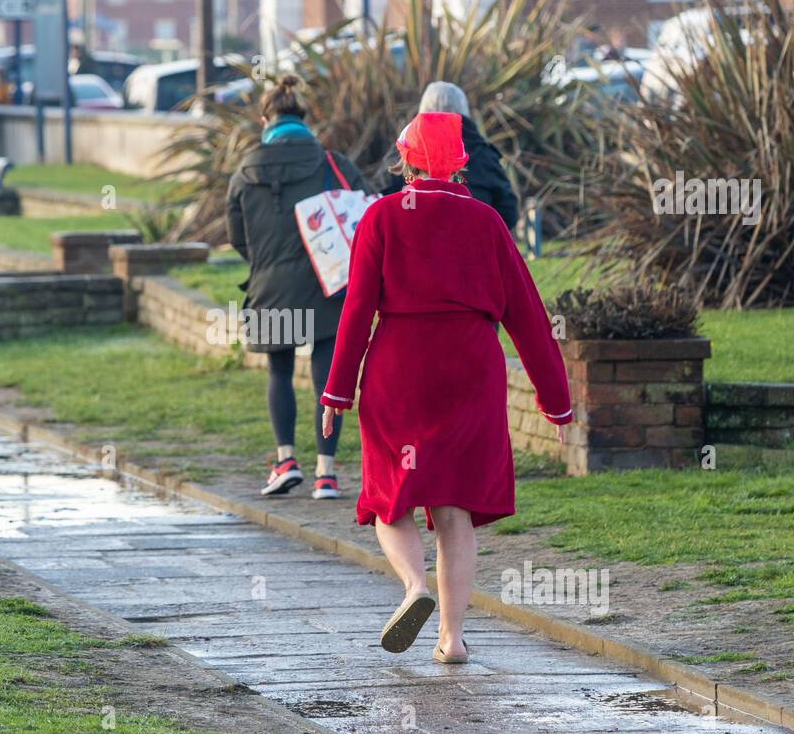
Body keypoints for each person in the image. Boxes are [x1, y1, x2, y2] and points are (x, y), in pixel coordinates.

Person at [318, 112, 572, 663]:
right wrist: (556, 402)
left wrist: (336, 391)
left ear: (404, 161)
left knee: (388, 498)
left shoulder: (382, 216)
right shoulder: (487, 221)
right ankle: (452, 639)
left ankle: (415, 586)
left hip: (399, 370)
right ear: (461, 163)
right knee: (454, 508)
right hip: (471, 372)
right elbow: (529, 317)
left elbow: (357, 310)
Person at [226, 74, 369, 500]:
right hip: (328, 283)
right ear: (304, 118)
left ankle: (286, 460)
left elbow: (236, 236)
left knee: (280, 371)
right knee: (328, 377)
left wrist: (263, 262)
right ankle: (327, 474)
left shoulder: (244, 171)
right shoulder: (331, 163)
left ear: (264, 120)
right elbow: (366, 213)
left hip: (270, 283)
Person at [376, 82, 520, 230]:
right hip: (471, 239)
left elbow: (381, 197)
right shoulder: (485, 157)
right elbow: (508, 212)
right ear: (464, 111)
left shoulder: (404, 151)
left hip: (411, 238)